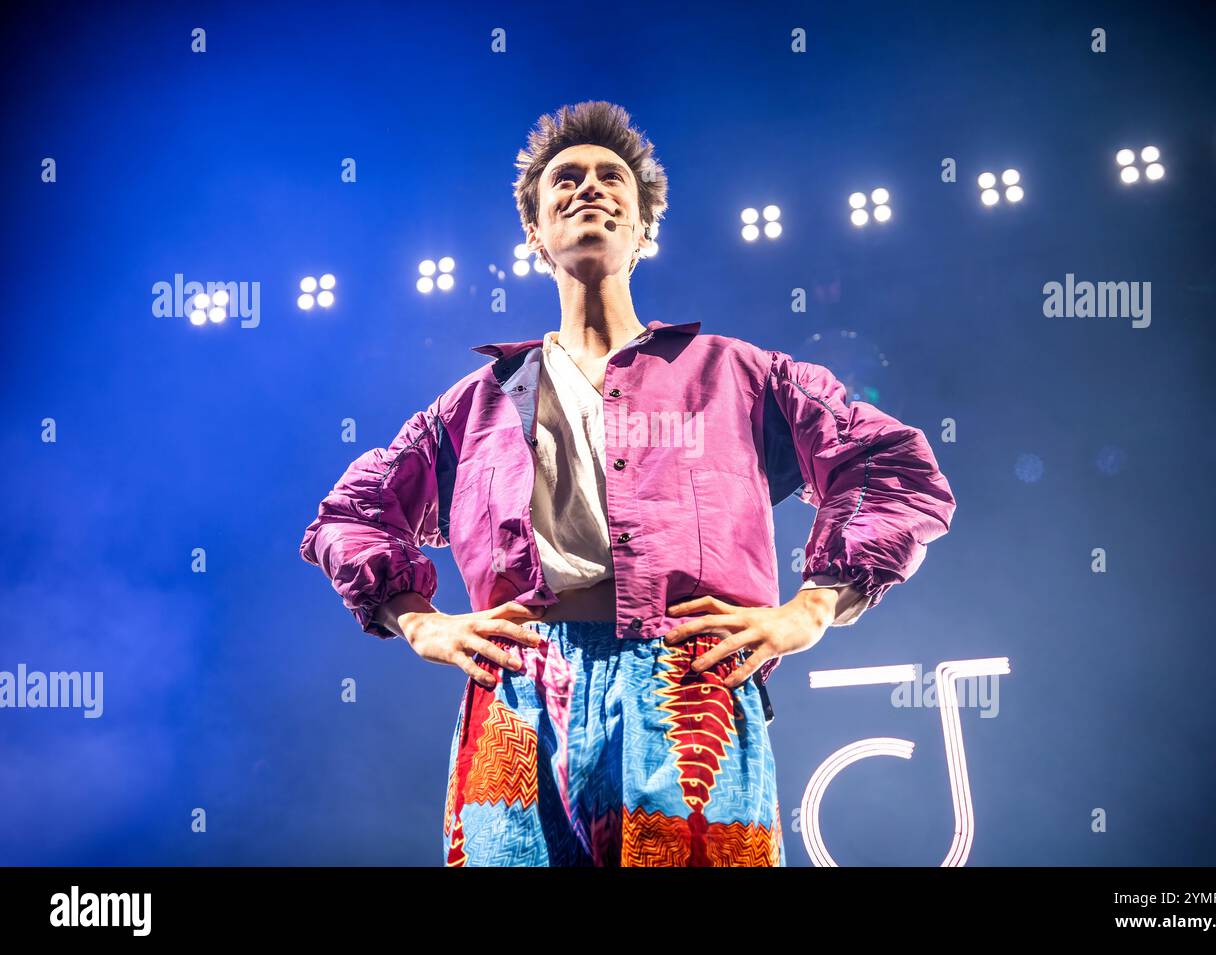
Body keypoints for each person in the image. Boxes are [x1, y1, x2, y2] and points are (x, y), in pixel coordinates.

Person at [299, 101, 956, 867]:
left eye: (613, 178)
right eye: (565, 179)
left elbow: (894, 469)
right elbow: (352, 515)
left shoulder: (736, 374)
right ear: (535, 234)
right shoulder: (475, 403)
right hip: (515, 692)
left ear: (645, 228)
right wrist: (419, 622)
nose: (590, 188)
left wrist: (816, 606)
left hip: (688, 686)